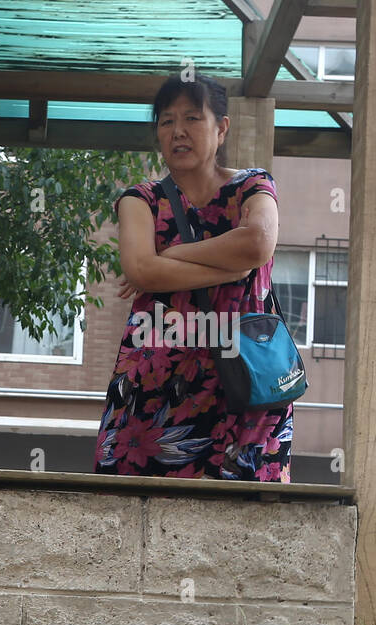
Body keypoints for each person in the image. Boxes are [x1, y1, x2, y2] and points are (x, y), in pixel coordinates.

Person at [94, 74, 285, 480]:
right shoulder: (141, 199)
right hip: (155, 386)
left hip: (248, 382)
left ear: (221, 128)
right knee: (133, 504)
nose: (178, 131)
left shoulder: (253, 185)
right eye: (166, 121)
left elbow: (257, 243)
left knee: (249, 509)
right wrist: (231, 264)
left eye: (192, 118)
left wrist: (173, 255)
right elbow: (142, 269)